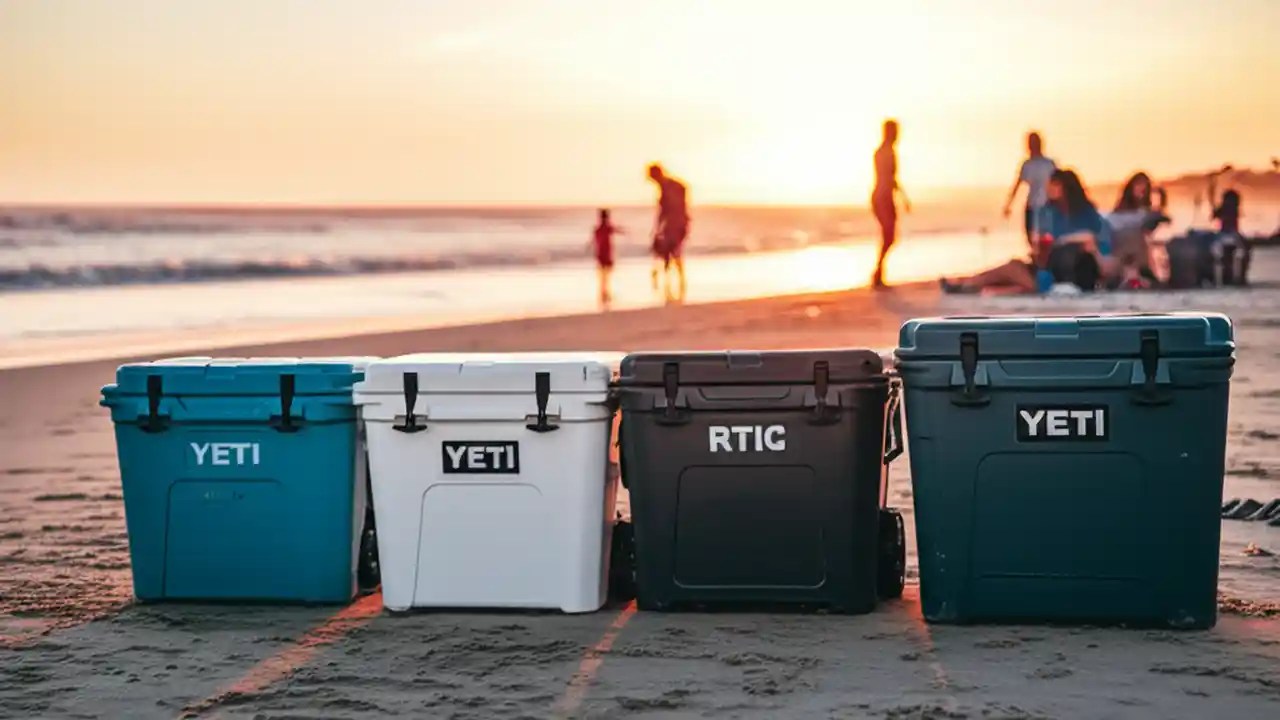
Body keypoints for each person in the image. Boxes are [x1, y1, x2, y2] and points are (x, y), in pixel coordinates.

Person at [942, 169, 1114, 294]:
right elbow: (1042, 248)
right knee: (1013, 267)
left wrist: (1073, 242)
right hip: (1046, 267)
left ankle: (965, 284)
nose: (1048, 188)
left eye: (1054, 184)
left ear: (1066, 187)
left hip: (1067, 274)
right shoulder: (1049, 213)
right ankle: (966, 284)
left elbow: (1103, 245)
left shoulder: (1088, 214)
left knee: (1011, 270)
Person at [870, 119, 911, 289]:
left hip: (885, 197)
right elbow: (888, 177)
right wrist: (901, 197)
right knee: (888, 235)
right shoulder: (884, 152)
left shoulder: (888, 151)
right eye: (895, 132)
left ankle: (879, 272)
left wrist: (902, 197)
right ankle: (878, 273)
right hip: (882, 197)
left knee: (889, 237)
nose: (898, 136)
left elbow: (893, 179)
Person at [1109, 171, 1168, 286]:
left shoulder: (1147, 213)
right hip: (1123, 258)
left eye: (1145, 187)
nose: (1141, 190)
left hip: (1141, 260)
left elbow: (1150, 229)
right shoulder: (1120, 213)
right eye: (1138, 185)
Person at [1002, 132, 1057, 247]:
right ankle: (1037, 258)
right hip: (1033, 205)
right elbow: (1017, 185)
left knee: (1044, 236)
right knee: (1032, 236)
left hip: (1046, 206)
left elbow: (1059, 184)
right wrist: (1008, 204)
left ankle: (1043, 259)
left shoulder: (1047, 164)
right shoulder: (1029, 164)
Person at [647, 163, 689, 301]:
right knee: (669, 252)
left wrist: (659, 226)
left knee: (673, 251)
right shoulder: (668, 186)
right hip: (675, 223)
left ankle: (678, 282)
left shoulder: (669, 186)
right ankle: (672, 282)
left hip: (676, 224)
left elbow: (666, 209)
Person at [590, 208, 624, 308]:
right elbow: (617, 230)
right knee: (606, 276)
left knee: (603, 276)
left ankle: (603, 294)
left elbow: (594, 241)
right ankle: (605, 294)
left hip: (601, 255)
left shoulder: (598, 229)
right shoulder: (606, 228)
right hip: (606, 255)